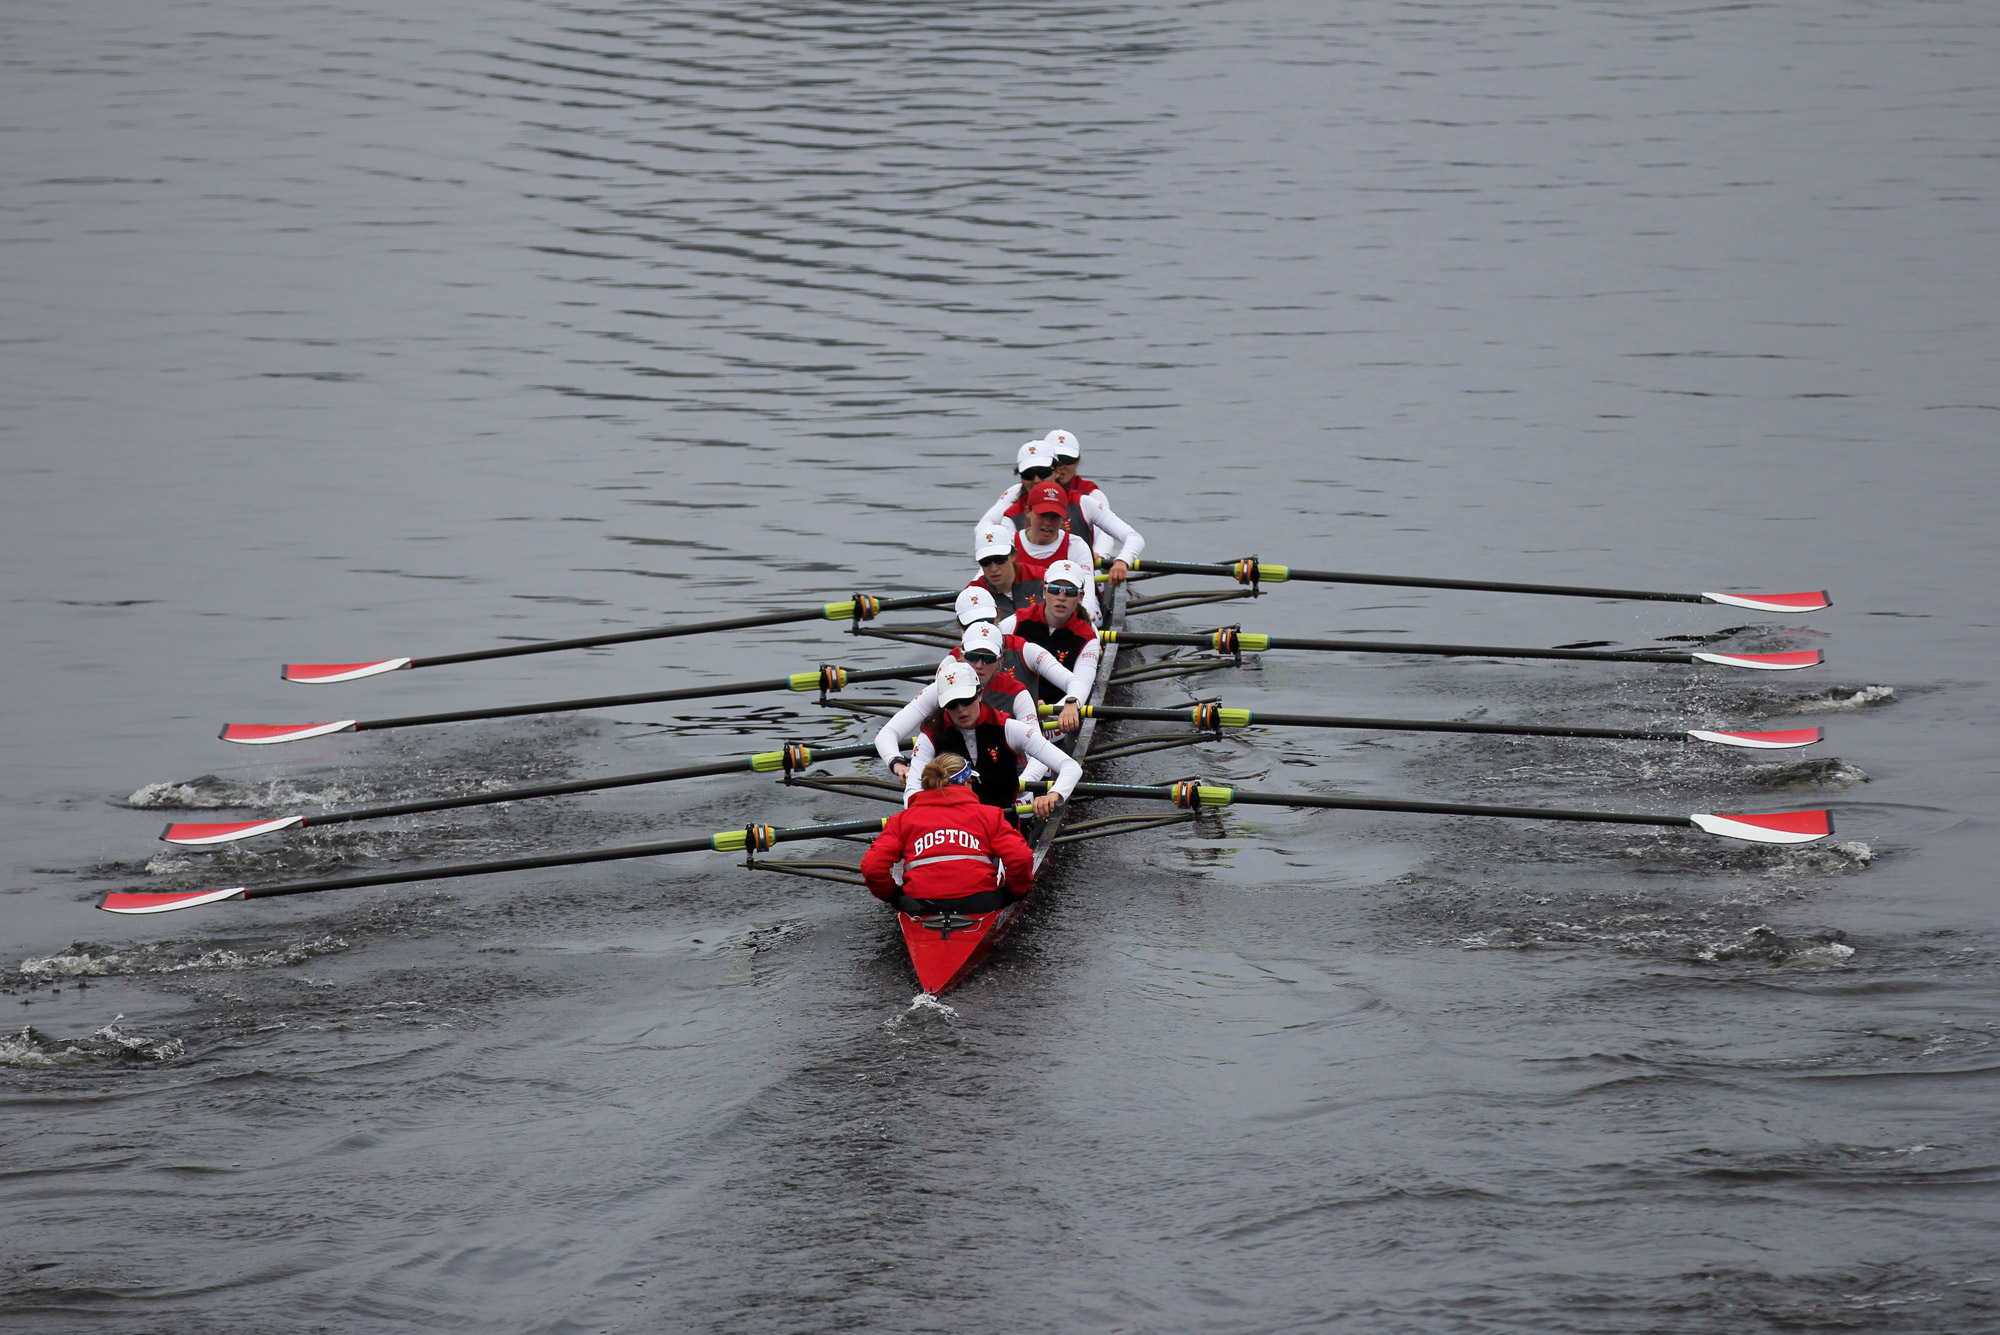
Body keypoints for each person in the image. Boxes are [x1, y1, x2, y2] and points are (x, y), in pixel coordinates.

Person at [874, 621, 1076, 780]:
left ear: (999, 661)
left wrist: (1024, 784)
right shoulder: (941, 687)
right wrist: (897, 763)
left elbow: (1038, 755)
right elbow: (888, 733)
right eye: (973, 656)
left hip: (1008, 779)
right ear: (961, 657)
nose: (979, 665)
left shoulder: (1017, 692)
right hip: (952, 781)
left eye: (987, 659)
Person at [861, 753, 1036, 916]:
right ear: (967, 781)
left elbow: (872, 867)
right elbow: (1021, 857)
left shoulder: (901, 820)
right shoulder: (990, 815)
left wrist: (895, 896)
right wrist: (1011, 893)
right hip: (980, 903)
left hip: (922, 905)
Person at [901, 662, 1081, 817]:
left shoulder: (1008, 728)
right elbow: (912, 794)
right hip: (954, 829)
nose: (961, 709)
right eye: (952, 704)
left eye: (966, 699)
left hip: (1002, 827)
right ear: (942, 705)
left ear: (979, 694)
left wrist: (1053, 795)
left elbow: (1070, 766)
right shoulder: (930, 736)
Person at [978, 432, 1143, 584]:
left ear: (1056, 472)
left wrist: (1120, 560)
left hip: (1081, 582)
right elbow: (998, 556)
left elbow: (1132, 537)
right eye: (1028, 475)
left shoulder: (1085, 501)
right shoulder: (1011, 513)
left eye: (1042, 472)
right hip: (1031, 590)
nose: (1036, 480)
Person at [999, 557, 1097, 737]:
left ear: (1080, 597)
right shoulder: (1016, 623)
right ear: (1044, 591)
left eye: (1070, 591)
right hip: (1012, 710)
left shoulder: (1087, 638)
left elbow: (1081, 684)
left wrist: (1069, 704)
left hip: (1056, 715)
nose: (1061, 597)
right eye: (1054, 589)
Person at [1043, 428, 1144, 582]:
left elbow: (1105, 535)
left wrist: (1102, 555)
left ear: (1077, 462)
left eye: (1068, 460)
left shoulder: (1090, 496)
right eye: (1056, 461)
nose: (1061, 467)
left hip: (1080, 570)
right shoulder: (1021, 493)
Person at [1010, 481, 1103, 625]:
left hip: (1063, 621)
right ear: (1028, 512)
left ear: (1063, 517)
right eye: (1042, 515)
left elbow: (1087, 601)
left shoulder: (1076, 547)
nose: (1048, 522)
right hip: (1019, 619)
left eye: (1054, 517)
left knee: (1095, 619)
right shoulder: (1008, 544)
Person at [967, 519, 1031, 620]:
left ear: (1013, 555)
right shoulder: (973, 595)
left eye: (1000, 560)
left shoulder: (1040, 578)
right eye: (985, 562)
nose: (993, 569)